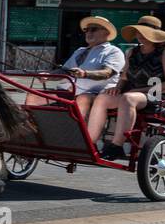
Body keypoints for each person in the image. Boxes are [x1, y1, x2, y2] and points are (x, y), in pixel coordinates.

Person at [91, 15, 165, 161]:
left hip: (158, 95)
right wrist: (118, 87)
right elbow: (125, 77)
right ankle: (91, 142)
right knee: (102, 98)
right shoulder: (132, 53)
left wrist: (141, 91)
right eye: (139, 32)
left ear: (156, 35)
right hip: (134, 94)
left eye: (145, 33)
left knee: (128, 98)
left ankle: (117, 146)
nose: (141, 36)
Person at [27, 16, 124, 145]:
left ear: (106, 32)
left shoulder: (113, 51)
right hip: (70, 91)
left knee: (82, 99)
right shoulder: (80, 51)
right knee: (34, 96)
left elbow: (107, 73)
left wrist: (85, 74)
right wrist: (49, 75)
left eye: (93, 29)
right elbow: (66, 71)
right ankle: (36, 135)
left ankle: (76, 138)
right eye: (86, 30)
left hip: (95, 94)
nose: (89, 33)